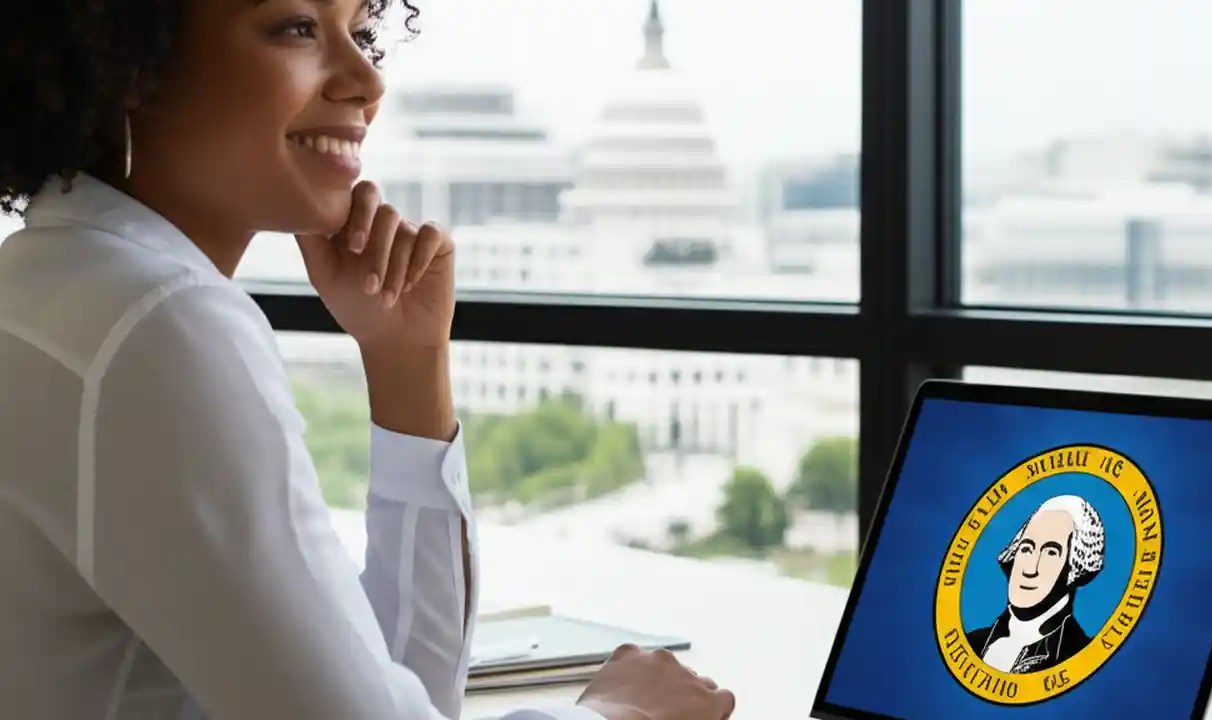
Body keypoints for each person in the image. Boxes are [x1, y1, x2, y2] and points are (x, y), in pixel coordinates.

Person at [0, 2, 735, 720]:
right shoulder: (162, 326)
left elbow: (397, 691)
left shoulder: (45, 284)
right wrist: (618, 713)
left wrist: (407, 361)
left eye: (359, 30)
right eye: (298, 27)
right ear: (134, 61)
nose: (367, 80)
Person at [965, 495, 1106, 674]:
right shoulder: (972, 644)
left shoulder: (1080, 657)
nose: (1030, 569)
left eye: (1051, 553)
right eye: (1026, 549)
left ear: (1076, 567)